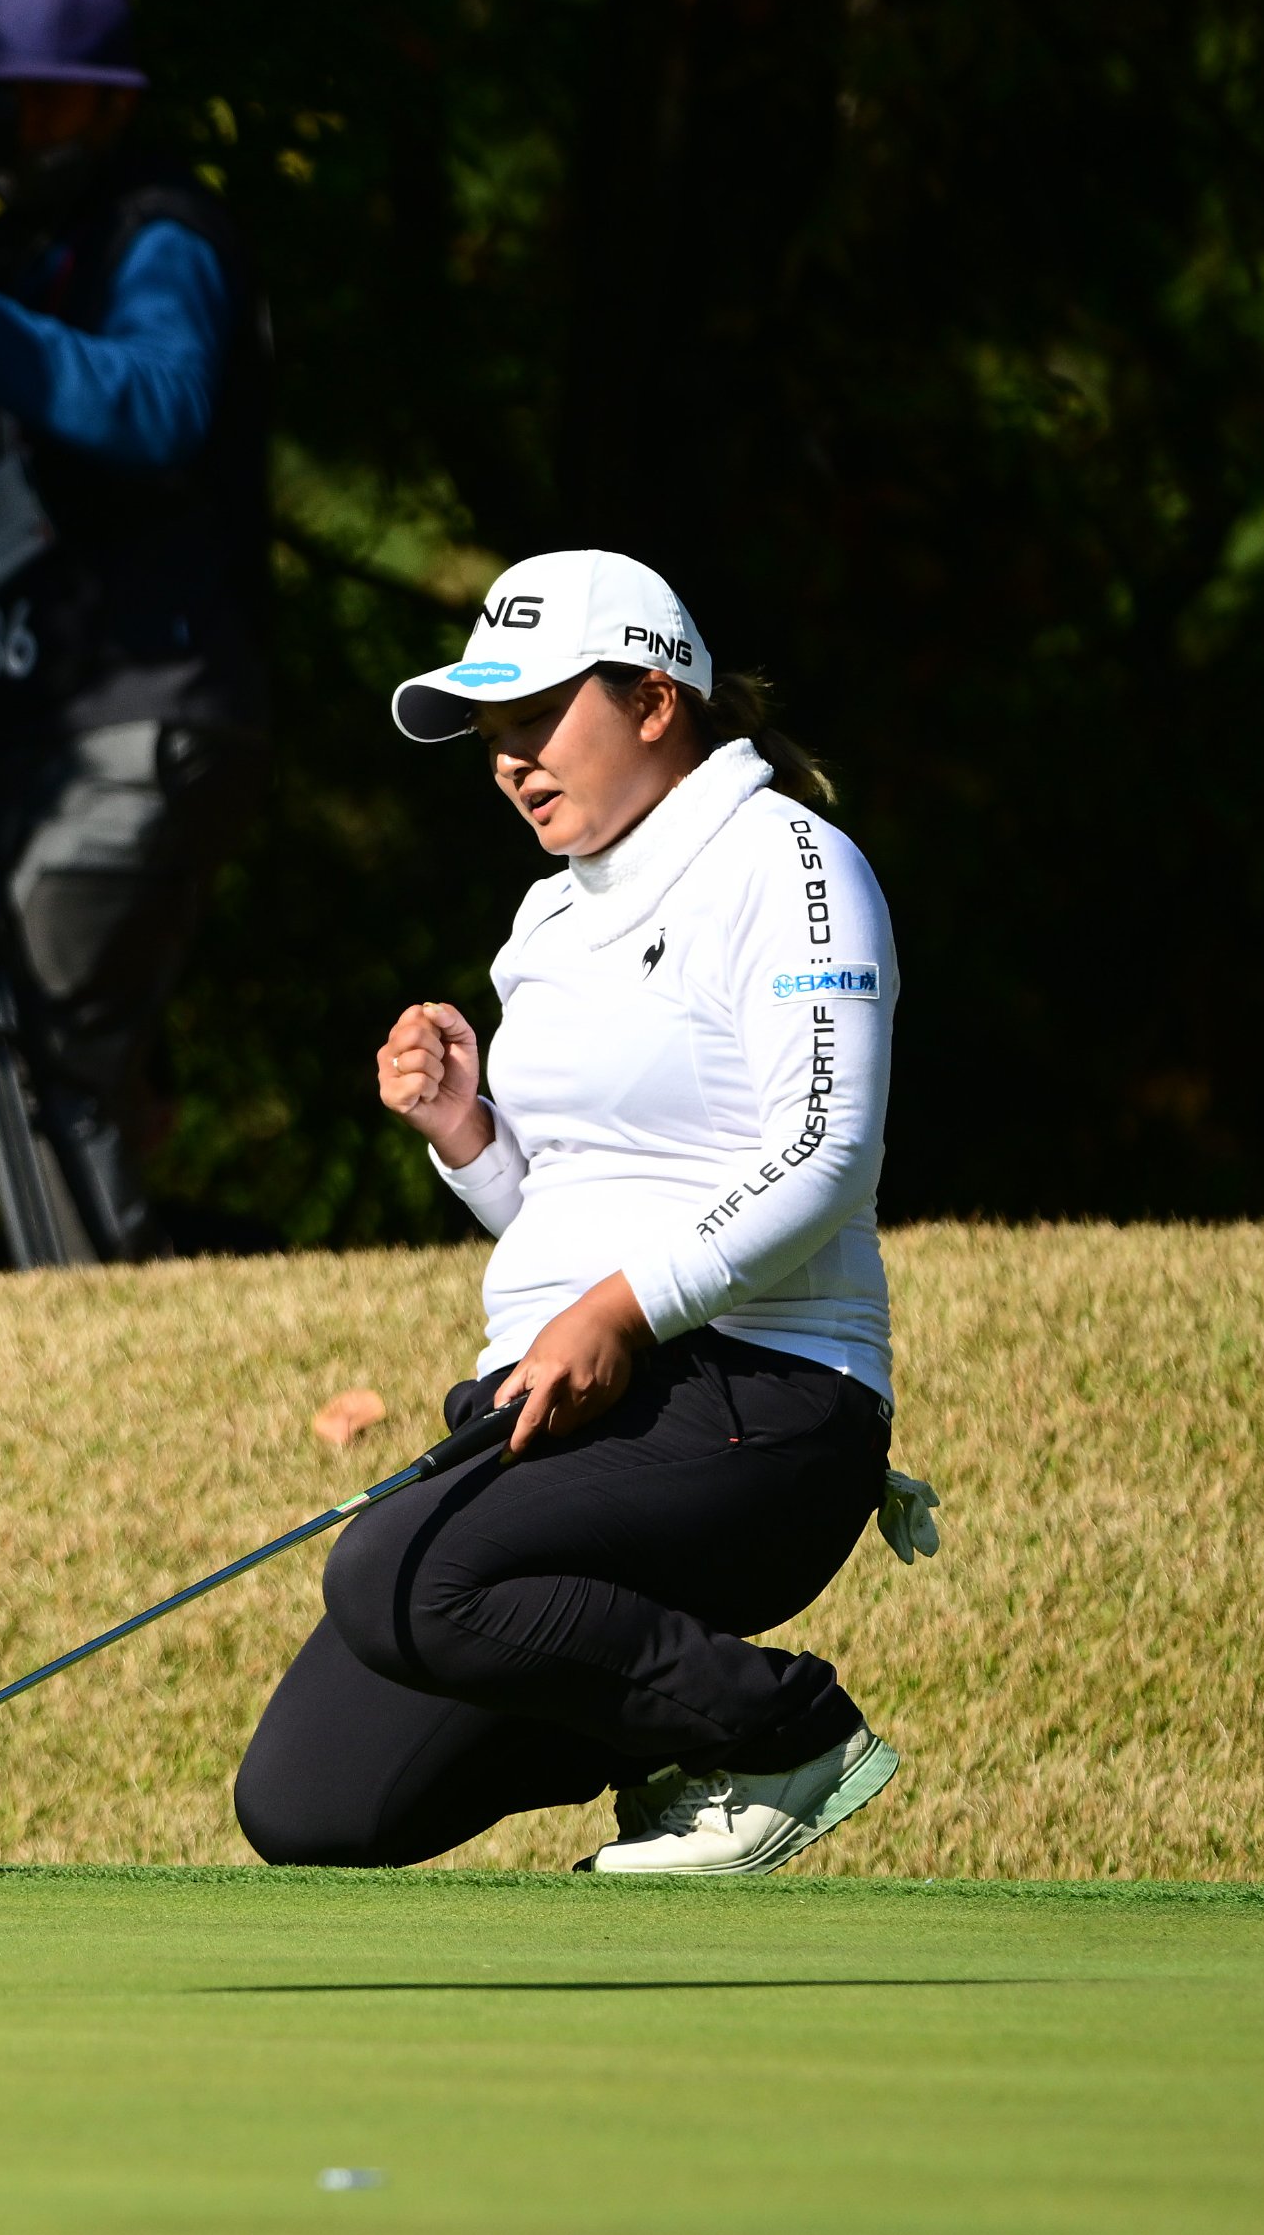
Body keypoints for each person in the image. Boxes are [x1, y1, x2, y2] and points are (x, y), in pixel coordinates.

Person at [230, 549, 908, 1876]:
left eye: (540, 719)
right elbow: (571, 1223)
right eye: (493, 734)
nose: (512, 761)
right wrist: (469, 1139)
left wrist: (620, 1307)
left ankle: (783, 1735)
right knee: (315, 1808)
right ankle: (675, 1744)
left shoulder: (792, 865)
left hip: (765, 1400)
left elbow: (827, 1148)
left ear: (657, 699)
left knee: (399, 1575)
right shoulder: (550, 914)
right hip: (587, 1402)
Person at [0, 0, 273, 1261]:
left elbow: (159, 408)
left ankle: (86, 1322)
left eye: (32, 97)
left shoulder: (157, 234)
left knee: (37, 1043)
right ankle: (103, 1289)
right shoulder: (20, 253)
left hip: (141, 713)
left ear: (107, 100)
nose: (1, 125)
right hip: (40, 727)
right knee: (40, 1044)